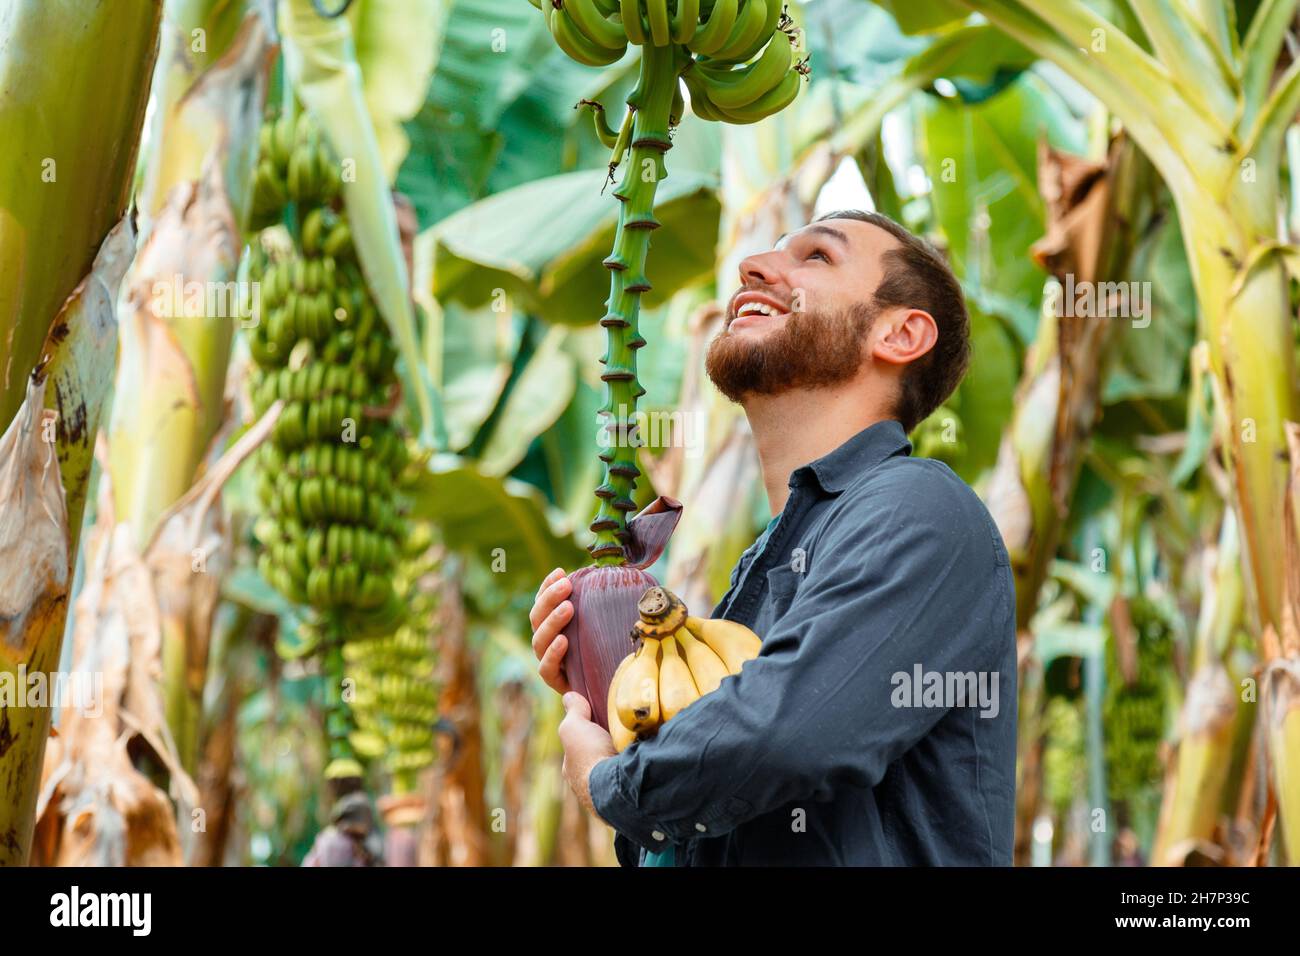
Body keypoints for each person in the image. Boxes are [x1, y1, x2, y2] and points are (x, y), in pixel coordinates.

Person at [528, 210, 1017, 866]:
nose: (753, 265)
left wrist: (608, 784)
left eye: (817, 257)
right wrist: (603, 688)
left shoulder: (924, 508)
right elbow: (725, 802)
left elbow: (787, 735)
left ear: (900, 333)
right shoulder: (766, 563)